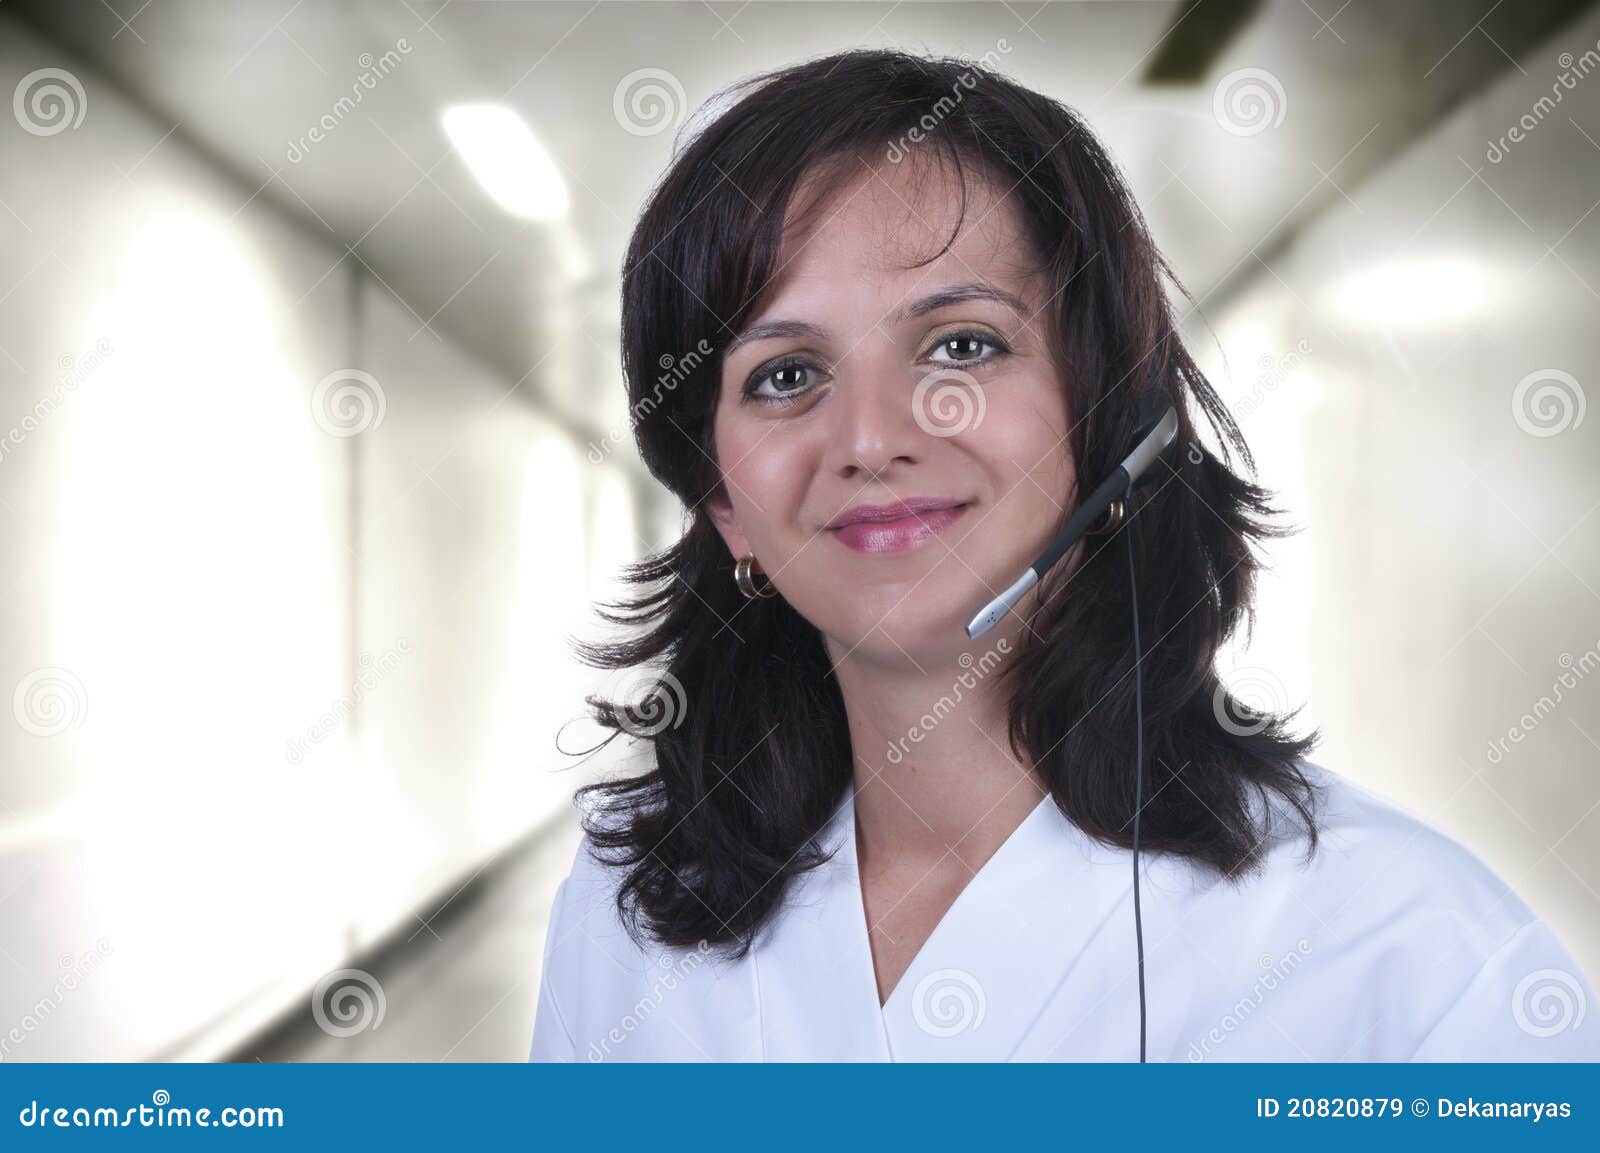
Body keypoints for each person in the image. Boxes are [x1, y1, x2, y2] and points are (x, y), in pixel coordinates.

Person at [529, 48, 1598, 1062]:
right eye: (783, 374)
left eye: (961, 345)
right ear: (722, 502)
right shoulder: (635, 905)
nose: (869, 438)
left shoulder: (1412, 955)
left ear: (1109, 421)